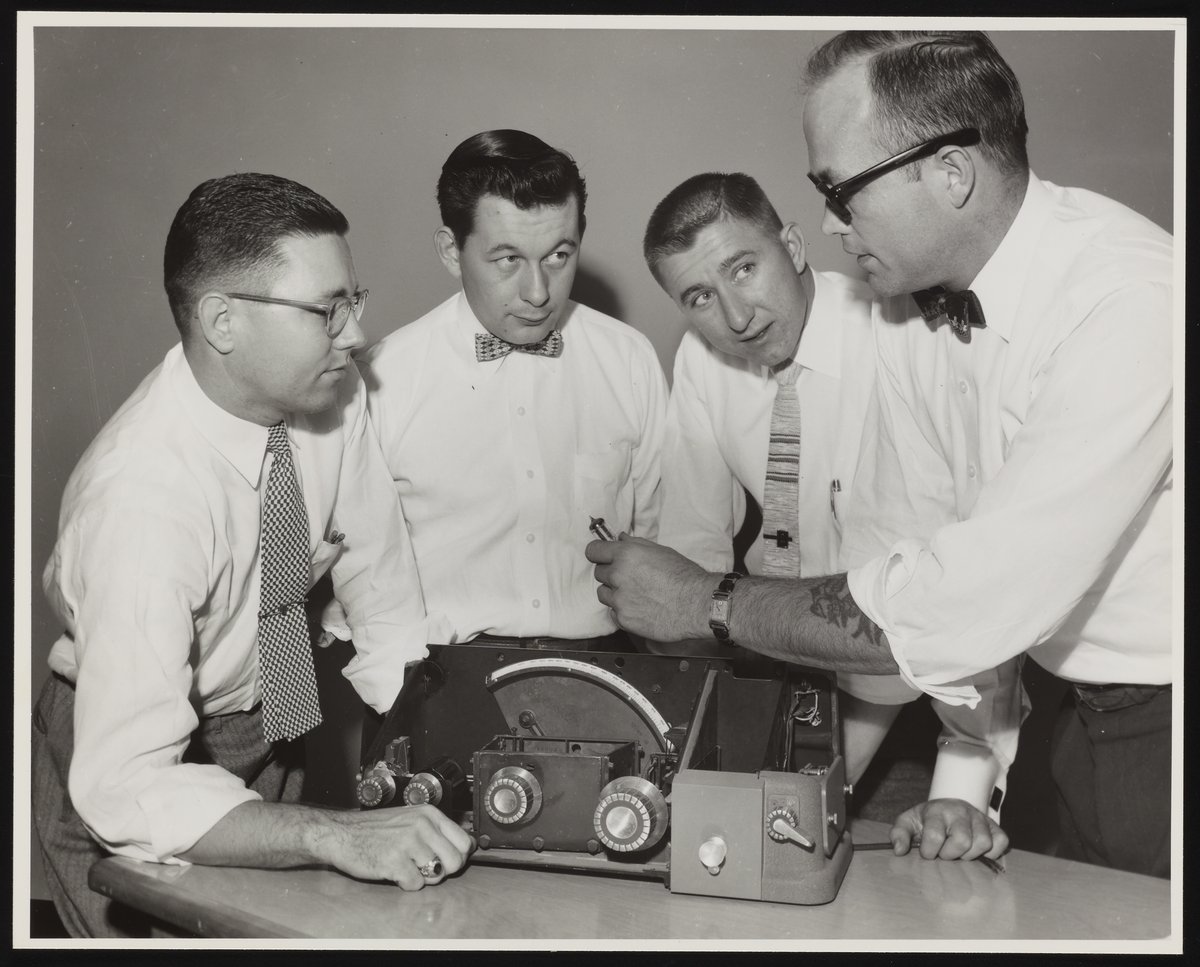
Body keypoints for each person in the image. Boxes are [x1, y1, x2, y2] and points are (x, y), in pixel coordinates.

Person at [588, 30, 1172, 877]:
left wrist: (703, 600)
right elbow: (911, 544)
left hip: (1161, 722)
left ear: (949, 173)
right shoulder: (919, 311)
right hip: (1059, 718)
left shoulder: (1127, 305)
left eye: (841, 189)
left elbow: (961, 601)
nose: (829, 222)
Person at [33, 173, 473, 938]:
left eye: (353, 299)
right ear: (222, 320)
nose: (355, 334)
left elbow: (382, 584)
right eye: (325, 310)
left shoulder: (330, 389)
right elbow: (129, 786)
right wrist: (333, 833)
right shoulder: (139, 503)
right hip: (127, 750)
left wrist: (430, 750)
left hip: (273, 713)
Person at [643, 171, 1024, 834]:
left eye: (744, 268)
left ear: (791, 245)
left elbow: (962, 579)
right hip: (779, 662)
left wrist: (963, 783)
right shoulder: (704, 361)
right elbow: (692, 552)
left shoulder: (898, 327)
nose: (735, 317)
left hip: (938, 691)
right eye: (701, 295)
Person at [361, 129, 666, 652]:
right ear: (451, 252)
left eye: (558, 256)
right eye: (507, 260)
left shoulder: (630, 359)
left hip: (604, 665)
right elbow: (366, 574)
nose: (538, 292)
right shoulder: (383, 378)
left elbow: (666, 539)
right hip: (434, 671)